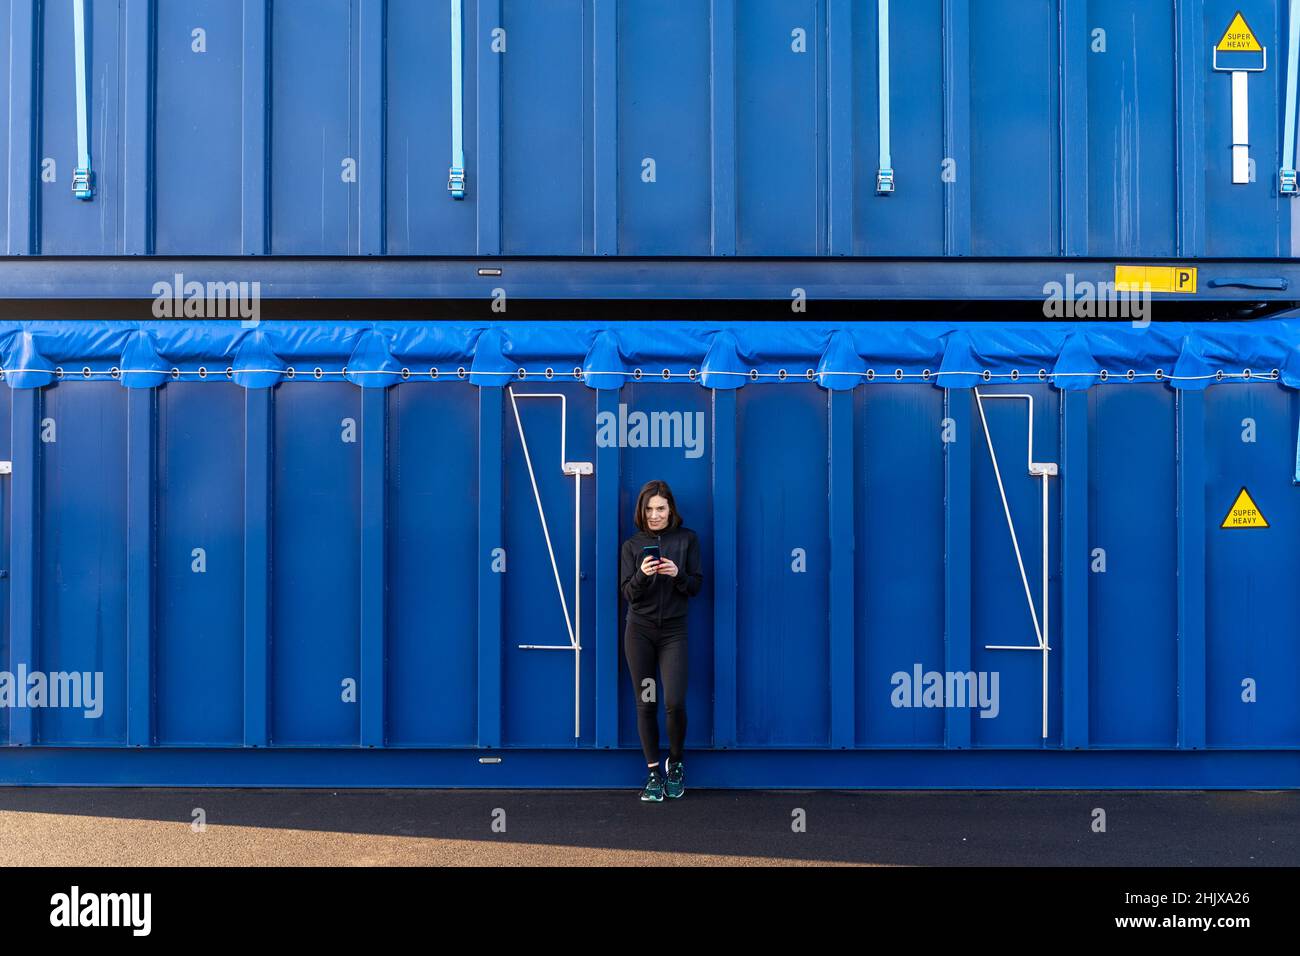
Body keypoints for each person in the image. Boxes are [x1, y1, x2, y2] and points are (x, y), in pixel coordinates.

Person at [619, 479, 703, 802]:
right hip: (639, 633)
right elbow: (628, 593)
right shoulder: (631, 545)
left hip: (673, 633)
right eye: (650, 509)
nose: (655, 515)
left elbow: (695, 586)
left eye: (661, 508)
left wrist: (676, 574)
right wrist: (642, 573)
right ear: (642, 511)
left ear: (671, 510)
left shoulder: (687, 540)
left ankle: (676, 764)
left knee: (674, 701)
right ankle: (653, 772)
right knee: (647, 702)